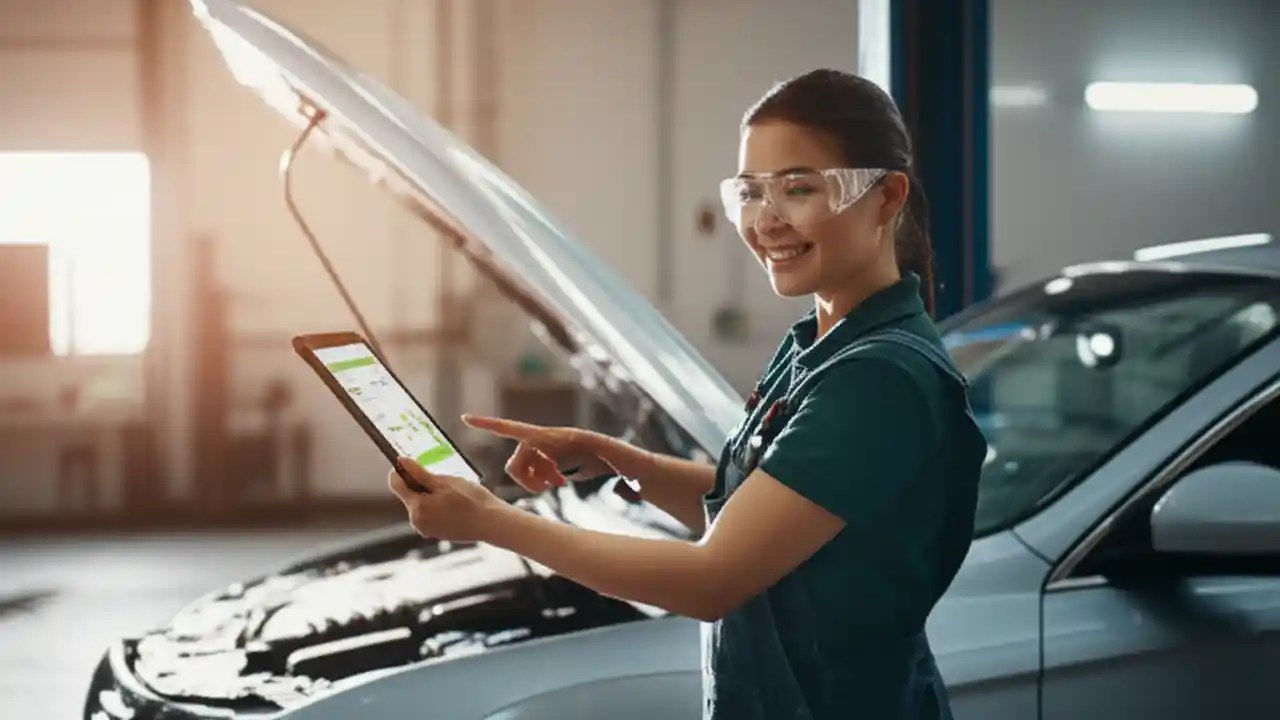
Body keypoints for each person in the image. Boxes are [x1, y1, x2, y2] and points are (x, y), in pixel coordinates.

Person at [386, 68, 987, 720]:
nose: (767, 221)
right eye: (751, 193)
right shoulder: (822, 344)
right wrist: (624, 461)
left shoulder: (880, 379)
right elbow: (757, 510)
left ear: (887, 196)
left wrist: (489, 522)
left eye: (799, 188)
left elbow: (713, 580)